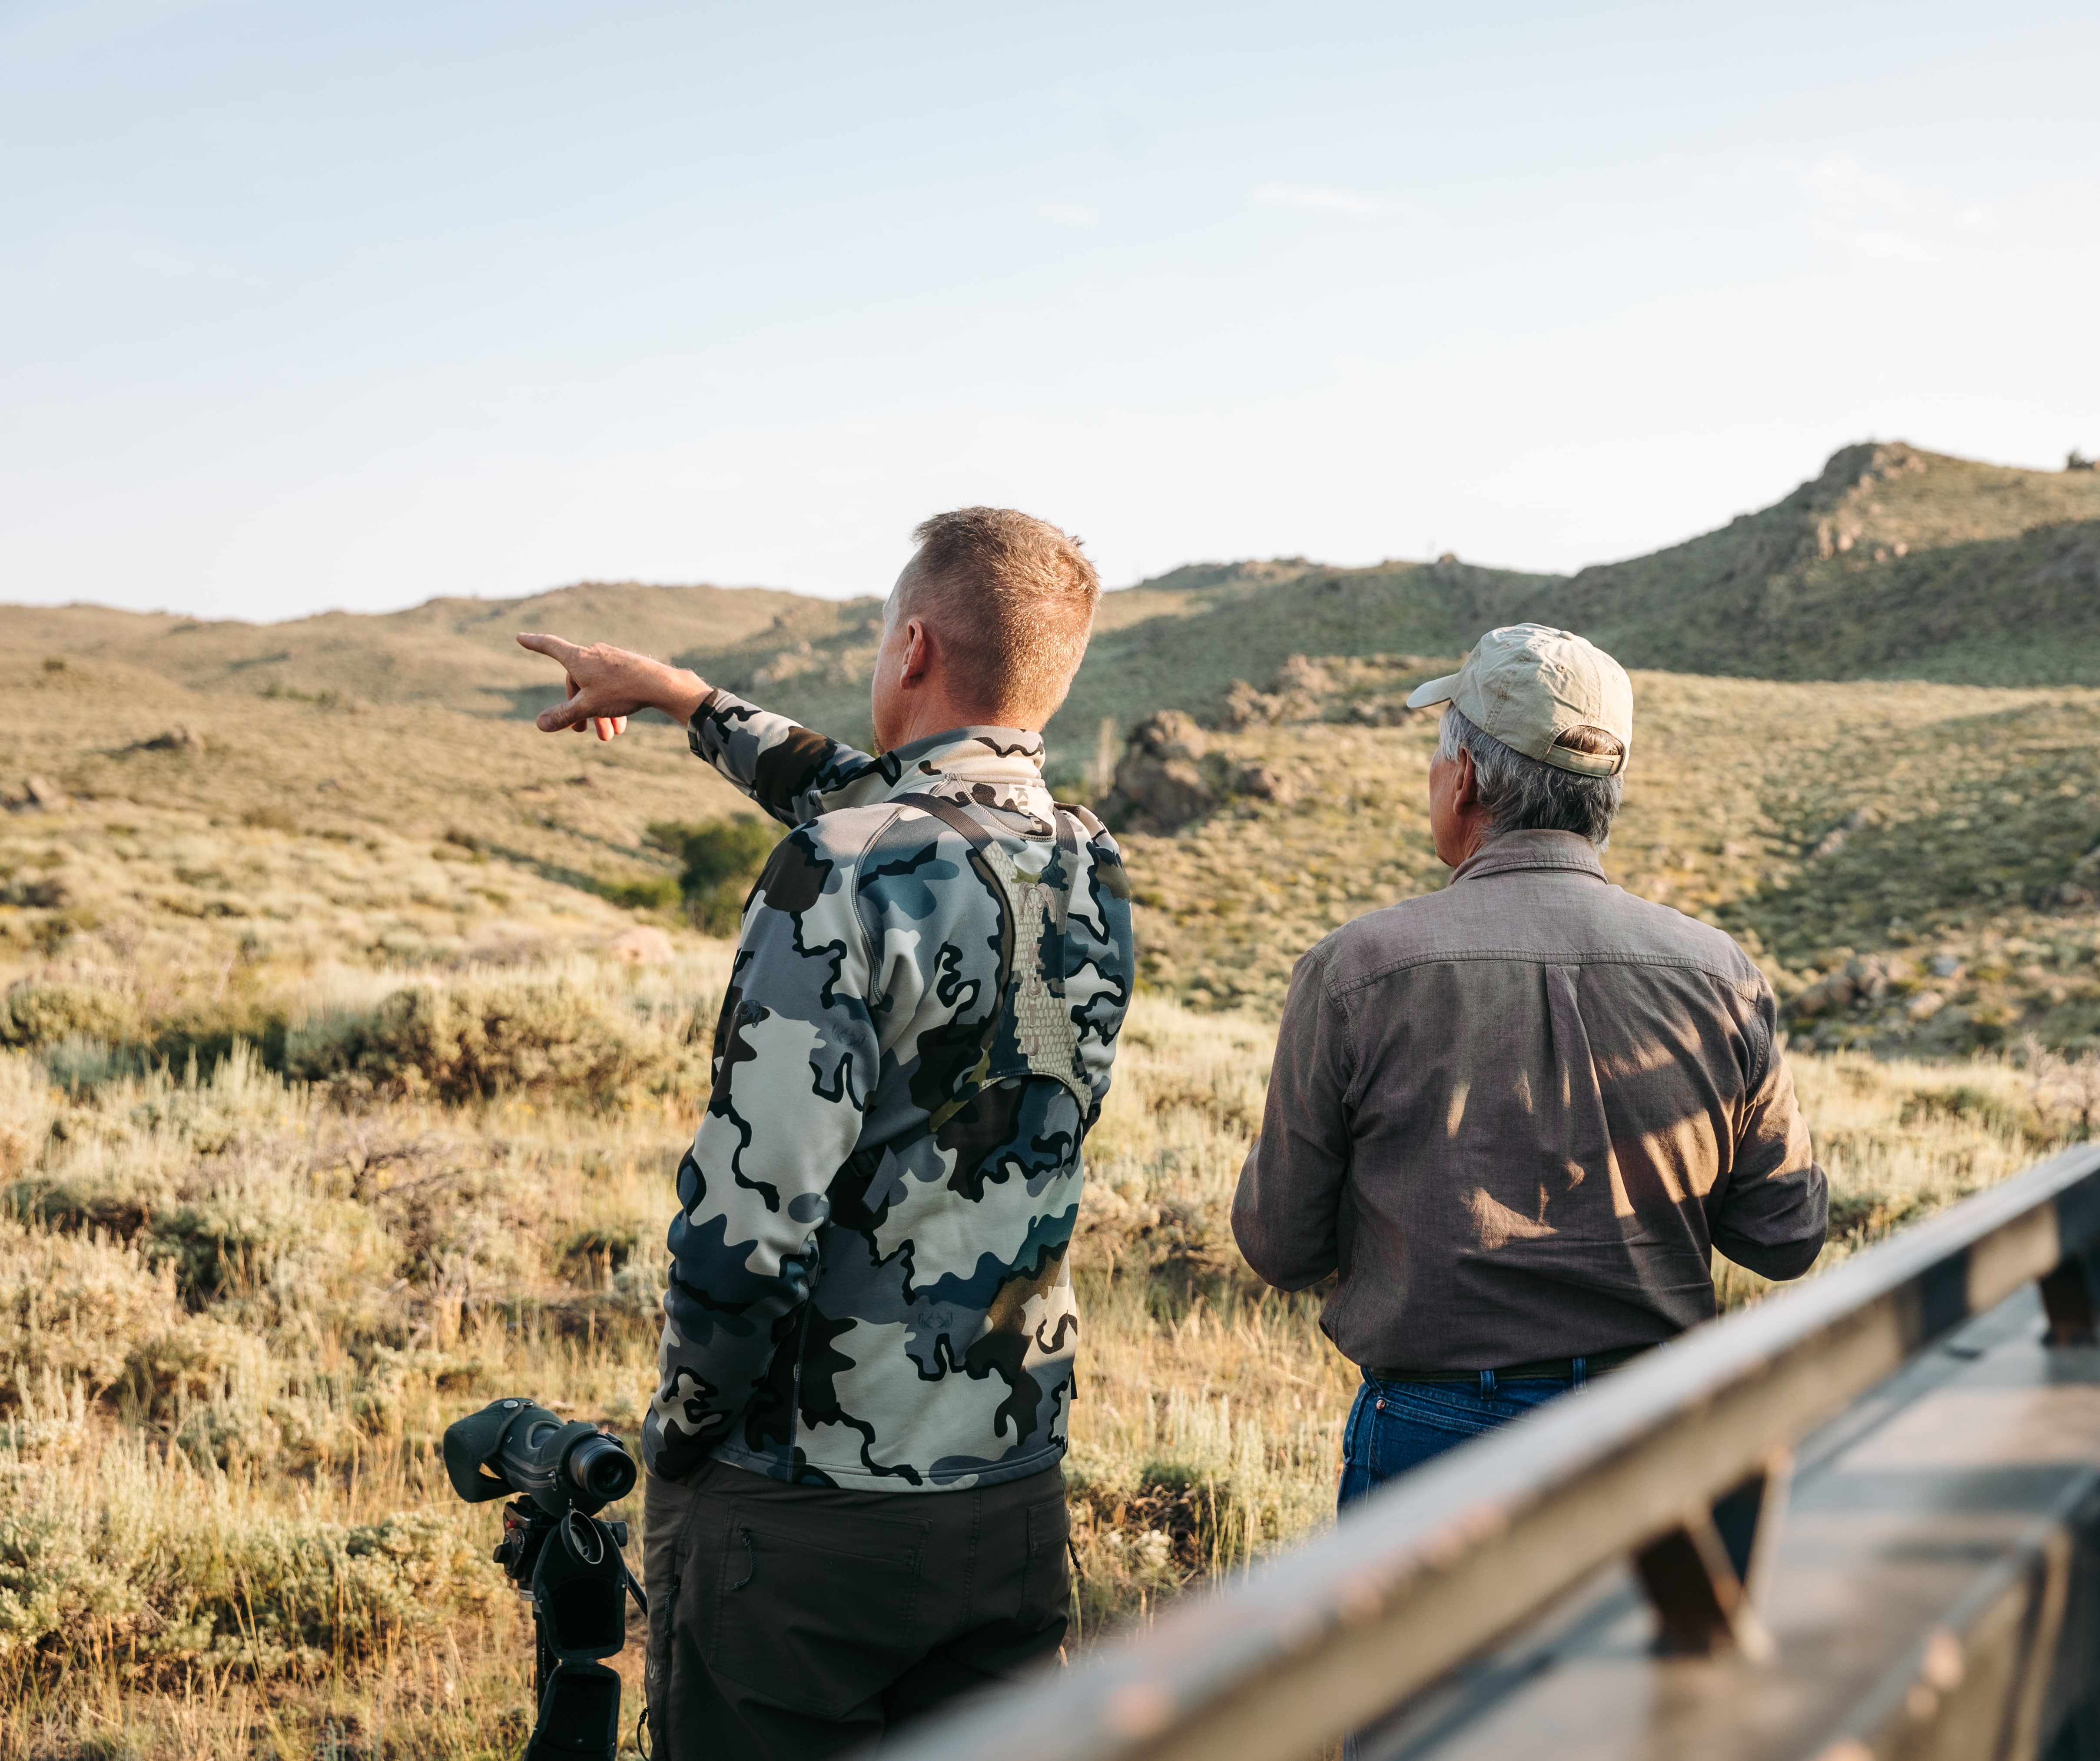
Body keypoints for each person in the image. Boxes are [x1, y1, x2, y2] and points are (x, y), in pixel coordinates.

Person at [516, 508, 1134, 1760]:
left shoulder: (839, 871)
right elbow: (896, 805)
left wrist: (684, 1436)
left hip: (803, 1520)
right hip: (1011, 1495)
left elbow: (748, 1227)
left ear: (910, 648)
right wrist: (688, 700)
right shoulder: (1084, 862)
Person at [1231, 623, 1828, 1509]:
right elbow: (1785, 1237)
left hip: (1433, 1438)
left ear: (1464, 778)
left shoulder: (1356, 969)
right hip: (1654, 1435)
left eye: (1438, 761)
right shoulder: (1719, 972)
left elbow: (1280, 1243)